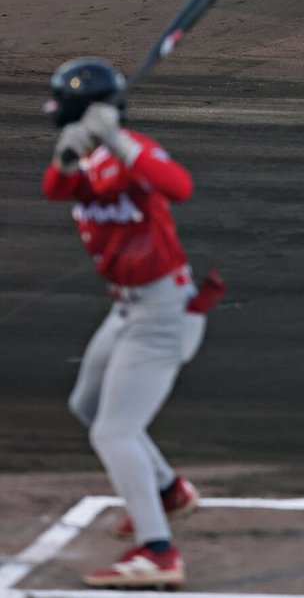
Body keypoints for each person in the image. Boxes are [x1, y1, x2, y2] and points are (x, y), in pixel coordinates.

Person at [42, 56, 226, 588]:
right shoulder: (87, 160)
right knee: (86, 405)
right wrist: (68, 155)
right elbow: (57, 190)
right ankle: (168, 491)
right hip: (126, 308)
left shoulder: (133, 152)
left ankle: (158, 553)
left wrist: (118, 140)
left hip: (163, 314)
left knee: (114, 430)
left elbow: (179, 185)